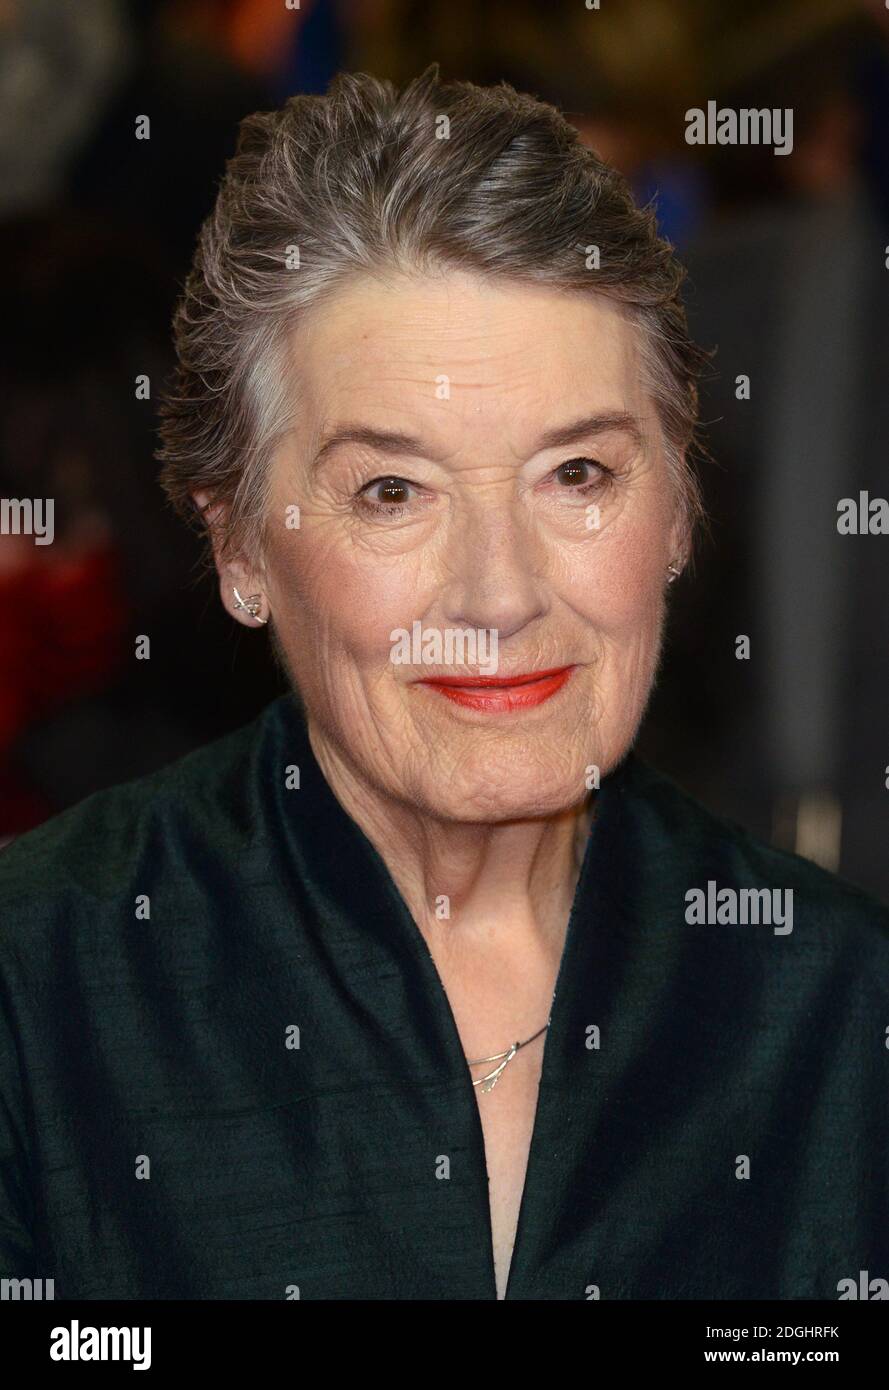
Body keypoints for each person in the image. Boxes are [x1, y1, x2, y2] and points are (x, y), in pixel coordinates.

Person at [1, 65, 887, 1302]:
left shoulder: (842, 1009)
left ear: (678, 513)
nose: (497, 593)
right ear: (241, 547)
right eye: (391, 492)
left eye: (576, 474)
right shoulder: (41, 981)